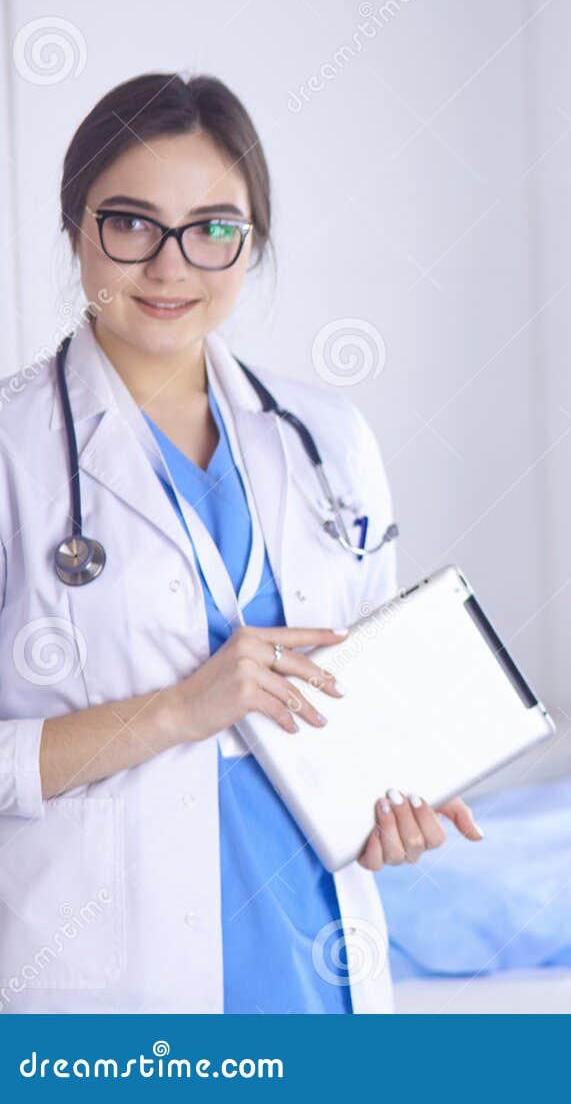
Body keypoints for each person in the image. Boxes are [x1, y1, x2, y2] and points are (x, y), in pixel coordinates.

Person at [0, 73, 483, 1013]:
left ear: (251, 240)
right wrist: (179, 710)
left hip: (315, 965)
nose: (171, 266)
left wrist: (395, 808)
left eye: (214, 227)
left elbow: (373, 700)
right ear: (74, 230)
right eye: (131, 223)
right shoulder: (13, 451)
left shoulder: (325, 435)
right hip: (112, 987)